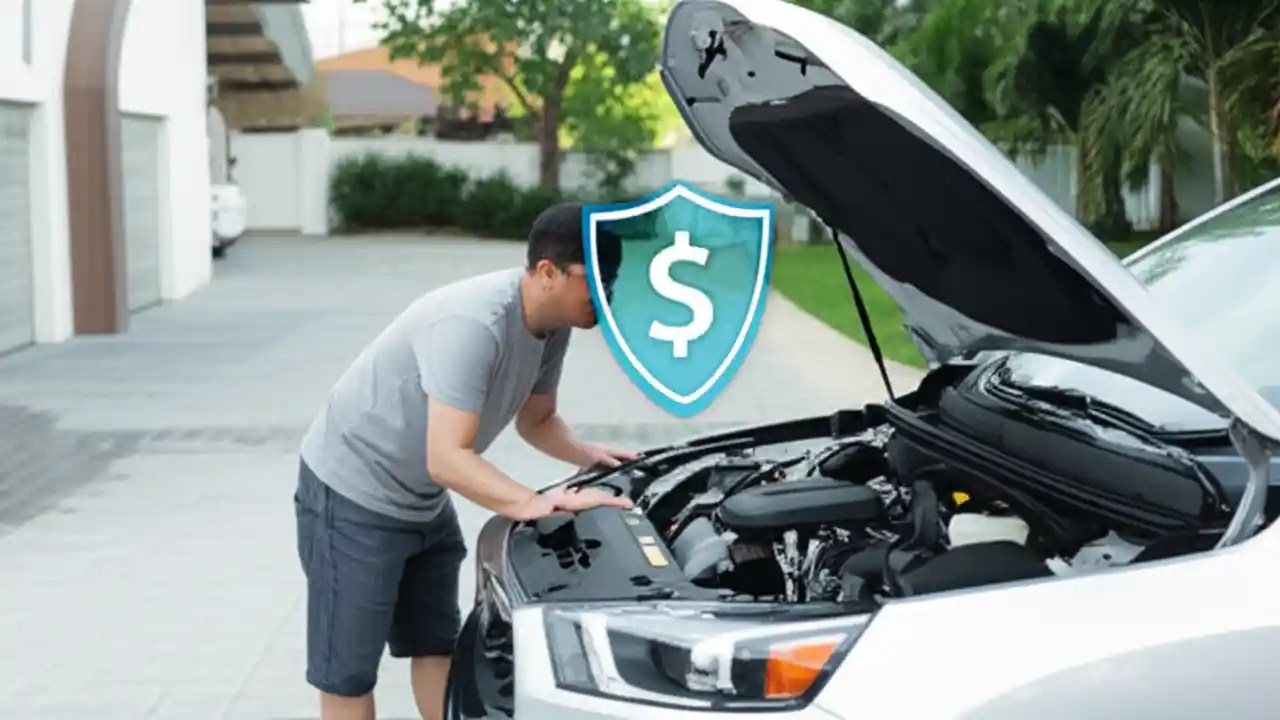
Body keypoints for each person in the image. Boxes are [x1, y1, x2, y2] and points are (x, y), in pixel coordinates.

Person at [292, 201, 636, 720]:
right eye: (596, 280)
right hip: (351, 494)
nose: (607, 294)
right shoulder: (474, 324)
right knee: (348, 672)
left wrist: (590, 456)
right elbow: (447, 458)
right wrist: (535, 503)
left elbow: (537, 420)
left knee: (435, 645)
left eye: (614, 278)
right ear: (548, 272)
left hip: (420, 500)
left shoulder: (554, 325)